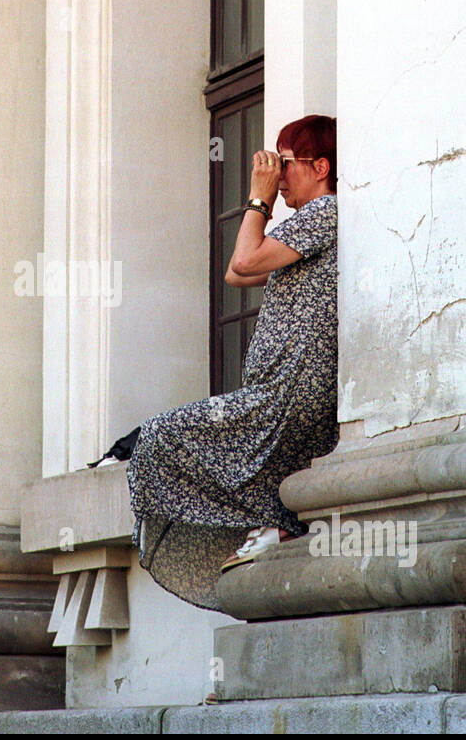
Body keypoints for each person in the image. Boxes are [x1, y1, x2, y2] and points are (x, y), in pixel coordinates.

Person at [126, 114, 339, 611]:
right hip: (279, 389)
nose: (279, 174)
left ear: (321, 167)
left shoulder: (325, 212)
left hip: (287, 392)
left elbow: (243, 263)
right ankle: (276, 520)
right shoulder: (307, 224)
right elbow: (236, 274)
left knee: (161, 437)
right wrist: (264, 203)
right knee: (172, 448)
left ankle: (275, 519)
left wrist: (259, 199)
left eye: (287, 164)